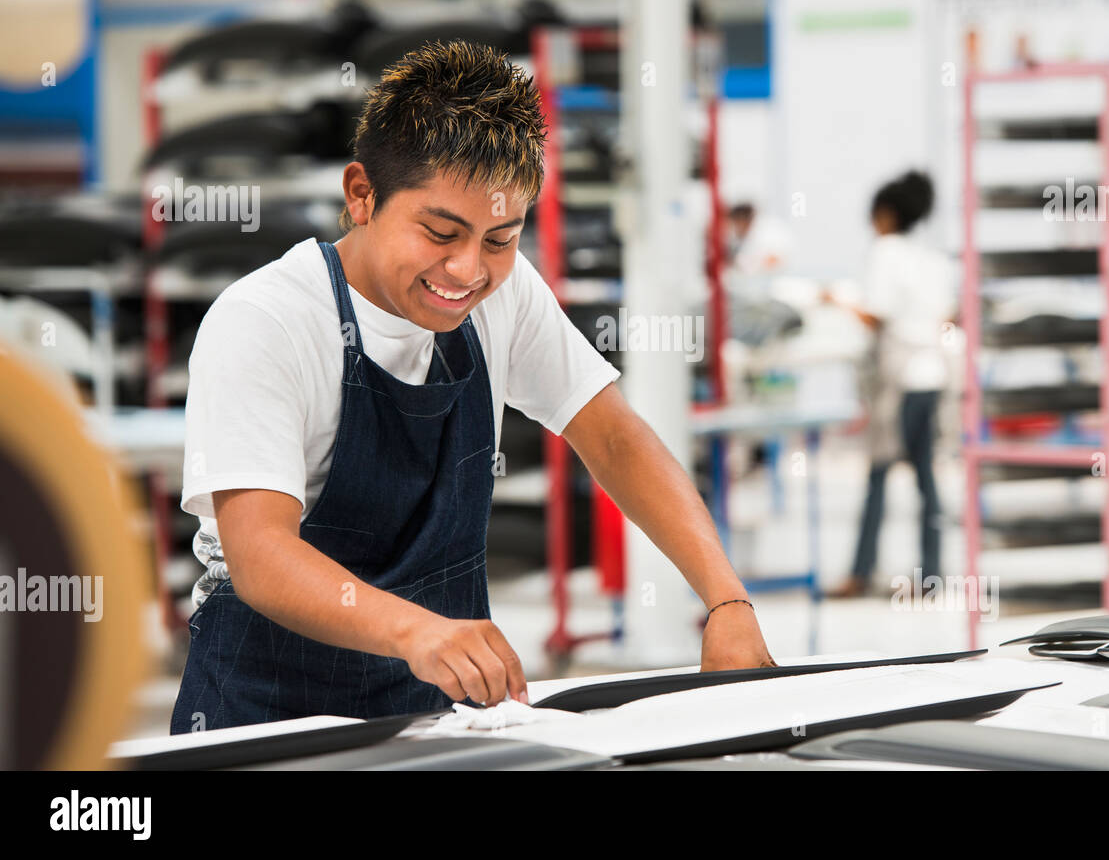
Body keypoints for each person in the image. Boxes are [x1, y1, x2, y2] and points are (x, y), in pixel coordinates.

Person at [170, 41, 774, 734]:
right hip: (265, 713)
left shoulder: (504, 298)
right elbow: (261, 556)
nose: (467, 270)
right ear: (361, 194)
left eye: (500, 238)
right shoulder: (266, 320)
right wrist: (416, 631)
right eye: (440, 232)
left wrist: (727, 601)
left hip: (431, 715)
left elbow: (613, 435)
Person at [824, 171, 956, 599]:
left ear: (885, 214)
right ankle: (932, 574)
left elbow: (875, 314)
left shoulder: (885, 252)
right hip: (933, 377)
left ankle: (860, 574)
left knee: (879, 474)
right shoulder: (932, 258)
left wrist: (835, 300)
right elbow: (947, 315)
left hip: (899, 383)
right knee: (925, 480)